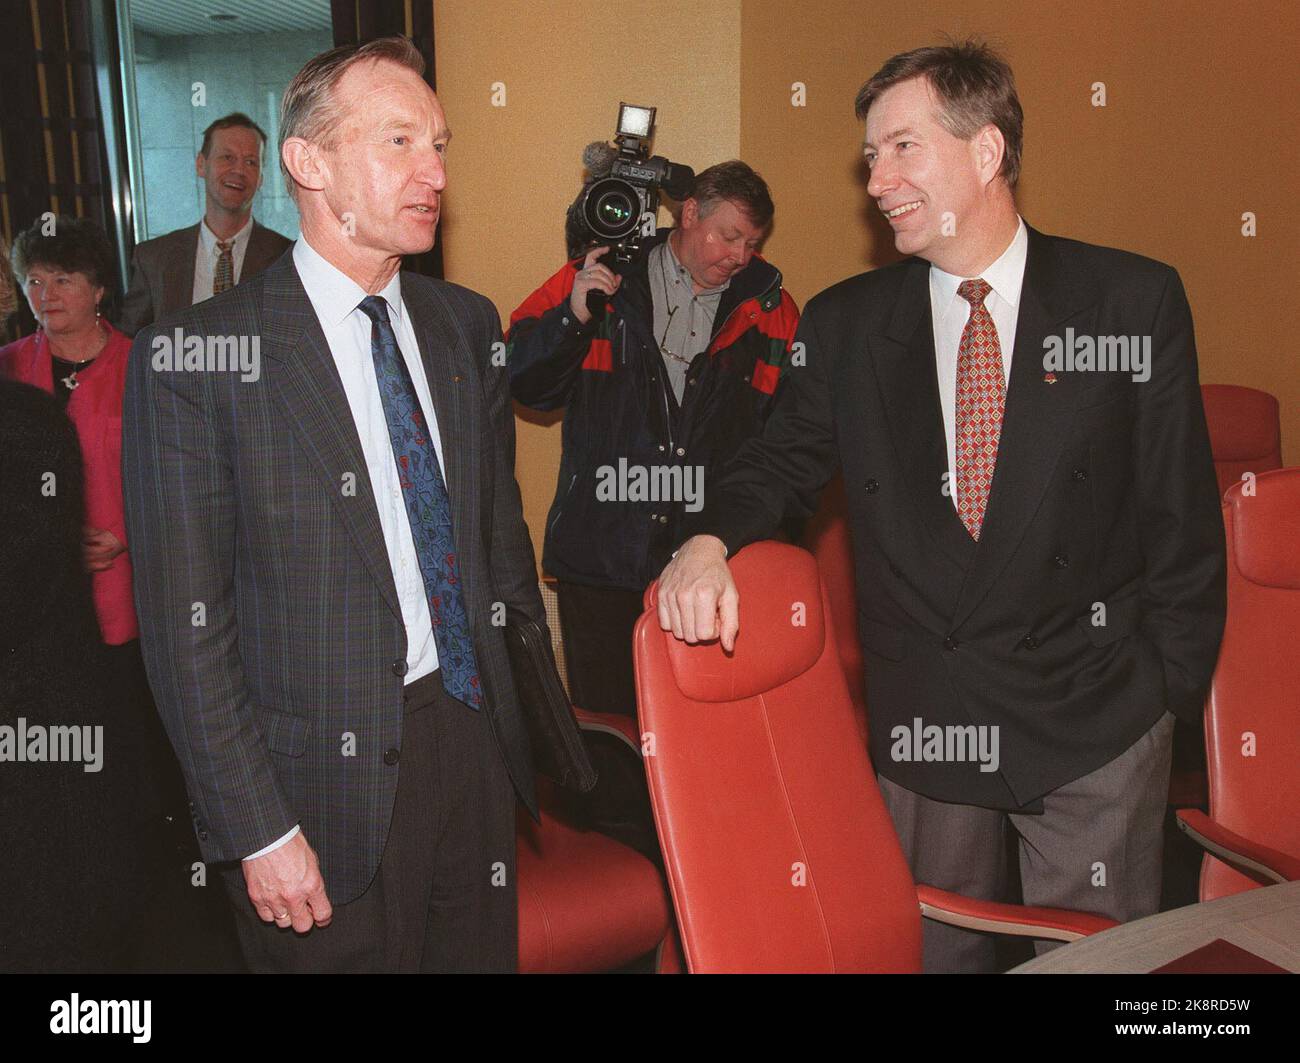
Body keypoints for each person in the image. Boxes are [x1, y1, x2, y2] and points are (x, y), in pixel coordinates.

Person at [656, 41, 1226, 973]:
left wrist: (1163, 696)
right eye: (870, 156)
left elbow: (1183, 525)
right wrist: (708, 538)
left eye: (901, 148)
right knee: (932, 958)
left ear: (987, 152)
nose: (876, 179)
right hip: (930, 718)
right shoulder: (845, 324)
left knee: (1106, 970)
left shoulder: (1131, 302)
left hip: (1096, 721)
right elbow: (778, 464)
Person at [123, 36, 548, 973]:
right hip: (313, 784)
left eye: (439, 144)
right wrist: (255, 827)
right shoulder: (196, 360)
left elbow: (493, 538)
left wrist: (526, 722)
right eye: (399, 142)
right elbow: (189, 632)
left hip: (470, 741)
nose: (433, 171)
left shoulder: (465, 323)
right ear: (307, 162)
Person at [508, 160, 800, 718]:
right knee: (613, 739)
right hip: (601, 562)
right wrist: (572, 318)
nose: (740, 256)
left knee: (706, 735)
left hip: (709, 566)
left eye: (752, 242)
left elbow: (787, 442)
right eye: (730, 236)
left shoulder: (771, 308)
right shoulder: (598, 275)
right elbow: (519, 381)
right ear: (689, 214)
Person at [120, 113, 290, 334]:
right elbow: (130, 345)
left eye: (251, 162)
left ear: (261, 179)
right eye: (227, 157)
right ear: (201, 165)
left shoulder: (286, 258)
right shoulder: (154, 259)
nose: (239, 171)